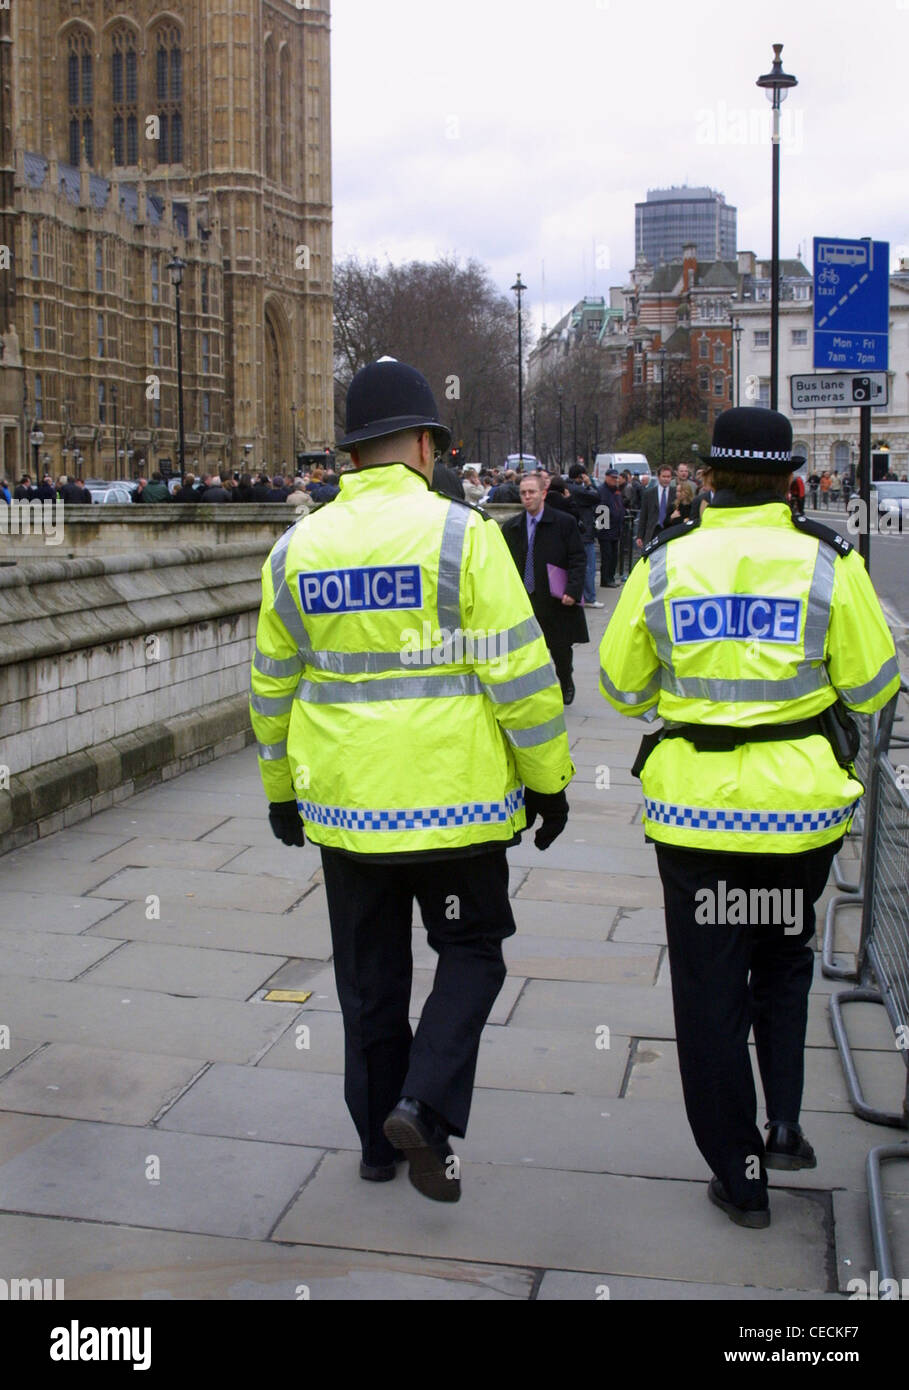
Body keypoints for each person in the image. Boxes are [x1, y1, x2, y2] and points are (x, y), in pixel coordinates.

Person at [250, 357, 574, 1203]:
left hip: (348, 812)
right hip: (453, 806)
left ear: (352, 453)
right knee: (469, 950)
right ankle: (424, 1107)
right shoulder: (462, 535)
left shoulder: (294, 549)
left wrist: (281, 791)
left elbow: (271, 688)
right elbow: (520, 674)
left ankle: (373, 1145)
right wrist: (548, 782)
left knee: (368, 977)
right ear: (426, 444)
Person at [599, 406, 900, 1229]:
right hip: (797, 816)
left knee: (707, 991)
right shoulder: (826, 562)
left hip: (695, 819)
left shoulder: (665, 563)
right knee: (782, 959)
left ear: (708, 476)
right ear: (790, 480)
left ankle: (739, 1179)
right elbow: (876, 687)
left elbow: (621, 691)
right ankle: (787, 1123)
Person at [501, 471, 589, 706]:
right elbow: (504, 563)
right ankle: (533, 689)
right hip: (526, 600)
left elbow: (578, 558)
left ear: (543, 493)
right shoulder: (512, 527)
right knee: (526, 650)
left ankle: (565, 680)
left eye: (531, 492)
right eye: (523, 493)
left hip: (555, 599)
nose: (527, 497)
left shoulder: (563, 523)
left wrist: (573, 589)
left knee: (560, 648)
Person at [566, 463, 604, 608]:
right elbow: (597, 497)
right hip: (585, 532)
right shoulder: (579, 490)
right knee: (589, 567)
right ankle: (590, 597)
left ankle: (578, 595)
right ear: (581, 476)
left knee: (575, 566)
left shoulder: (566, 488)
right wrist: (590, 483)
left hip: (572, 532)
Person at [596, 469, 625, 588]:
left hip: (615, 528)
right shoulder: (602, 491)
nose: (615, 480)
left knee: (614, 555)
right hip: (606, 529)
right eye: (612, 478)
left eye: (616, 478)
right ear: (607, 477)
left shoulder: (615, 491)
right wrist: (603, 528)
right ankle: (606, 579)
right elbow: (600, 509)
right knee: (607, 556)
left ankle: (611, 577)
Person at [636, 465, 675, 550]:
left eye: (668, 477)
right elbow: (643, 516)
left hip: (669, 532)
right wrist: (639, 536)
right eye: (664, 476)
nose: (666, 479)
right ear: (658, 477)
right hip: (652, 533)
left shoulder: (675, 493)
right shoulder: (649, 494)